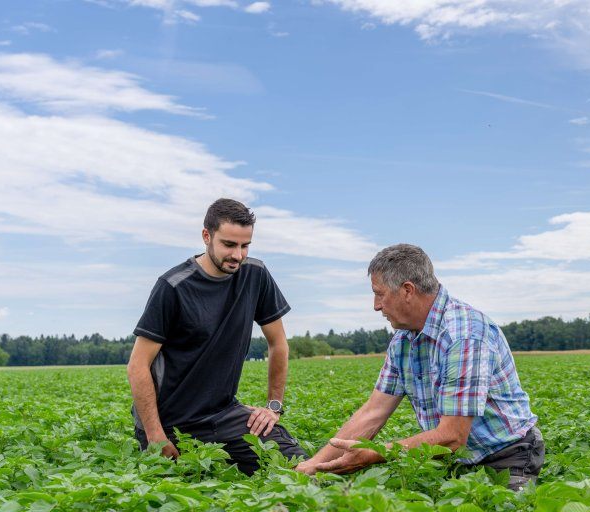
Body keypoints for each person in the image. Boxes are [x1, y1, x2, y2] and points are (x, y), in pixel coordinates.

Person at [297, 244, 544, 490]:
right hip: (456, 460)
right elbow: (373, 412)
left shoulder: (464, 334)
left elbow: (452, 436)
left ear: (407, 290)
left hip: (507, 456)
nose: (376, 305)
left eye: (379, 293)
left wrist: (375, 453)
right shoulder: (403, 341)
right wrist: (312, 466)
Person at [127, 198, 308, 475]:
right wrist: (155, 435)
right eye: (229, 244)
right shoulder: (173, 287)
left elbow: (278, 343)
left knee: (300, 467)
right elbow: (138, 366)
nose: (237, 255)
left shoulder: (255, 275)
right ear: (206, 237)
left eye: (245, 245)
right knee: (181, 486)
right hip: (170, 423)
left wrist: (274, 407)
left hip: (223, 416)